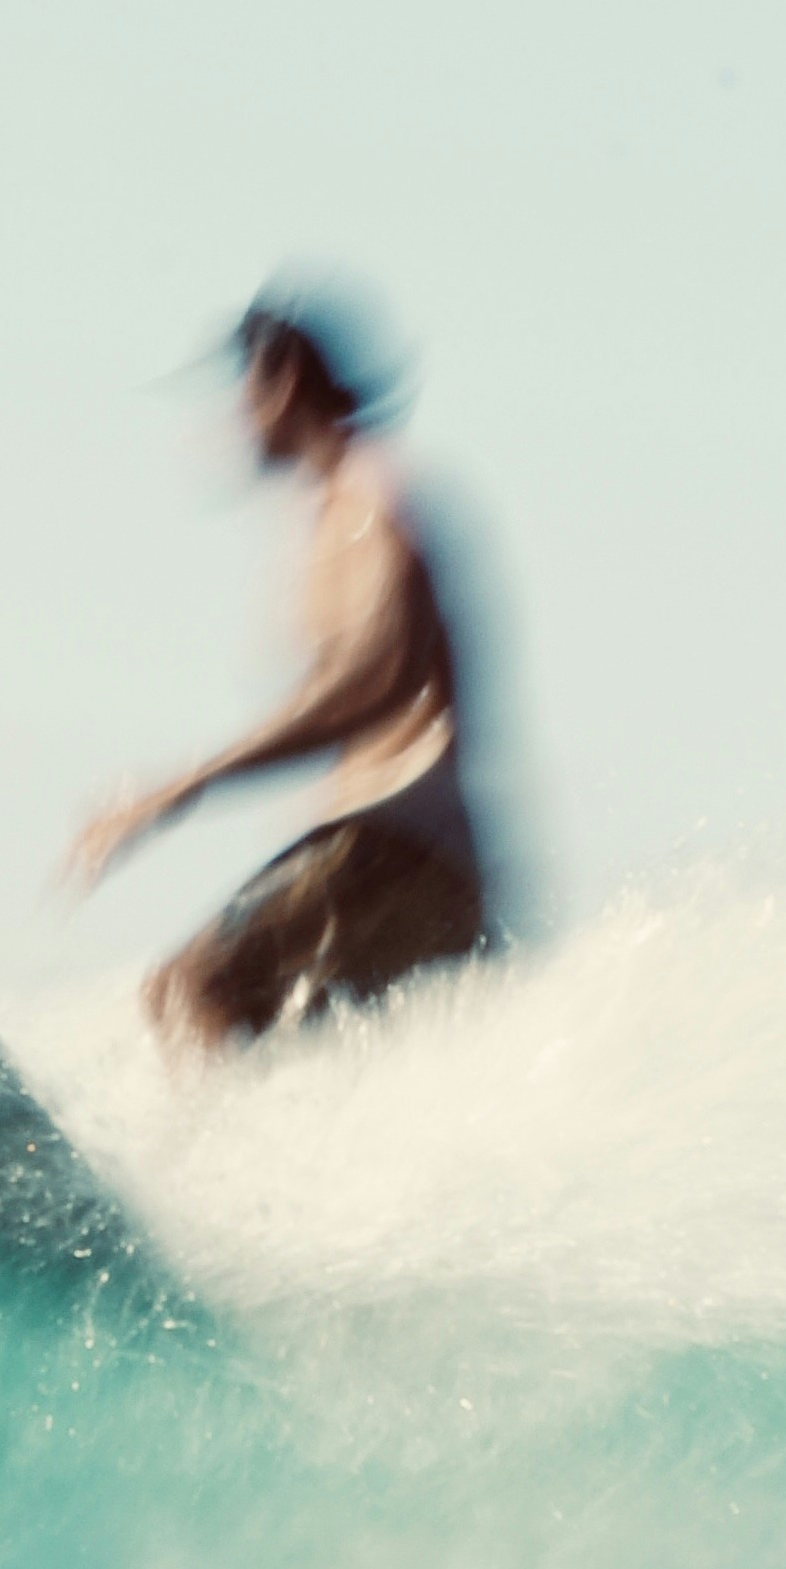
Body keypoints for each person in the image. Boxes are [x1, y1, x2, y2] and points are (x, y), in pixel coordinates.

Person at [68, 290, 494, 1051]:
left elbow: (375, 680)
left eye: (244, 392)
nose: (237, 417)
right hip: (386, 853)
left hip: (404, 851)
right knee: (189, 1004)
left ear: (285, 381)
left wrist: (185, 784)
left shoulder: (374, 494)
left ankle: (197, 1173)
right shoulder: (329, 509)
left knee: (194, 985)